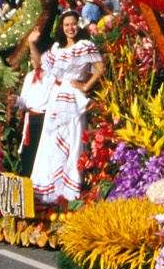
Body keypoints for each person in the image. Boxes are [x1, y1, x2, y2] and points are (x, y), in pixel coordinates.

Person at [24, 11, 104, 206]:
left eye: (73, 24)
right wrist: (31, 44)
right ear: (62, 27)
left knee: (72, 142)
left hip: (73, 99)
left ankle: (68, 191)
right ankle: (50, 188)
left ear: (79, 25)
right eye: (66, 25)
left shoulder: (85, 46)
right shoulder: (57, 49)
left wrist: (85, 86)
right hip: (55, 99)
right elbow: (39, 66)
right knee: (51, 143)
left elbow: (101, 67)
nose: (70, 28)